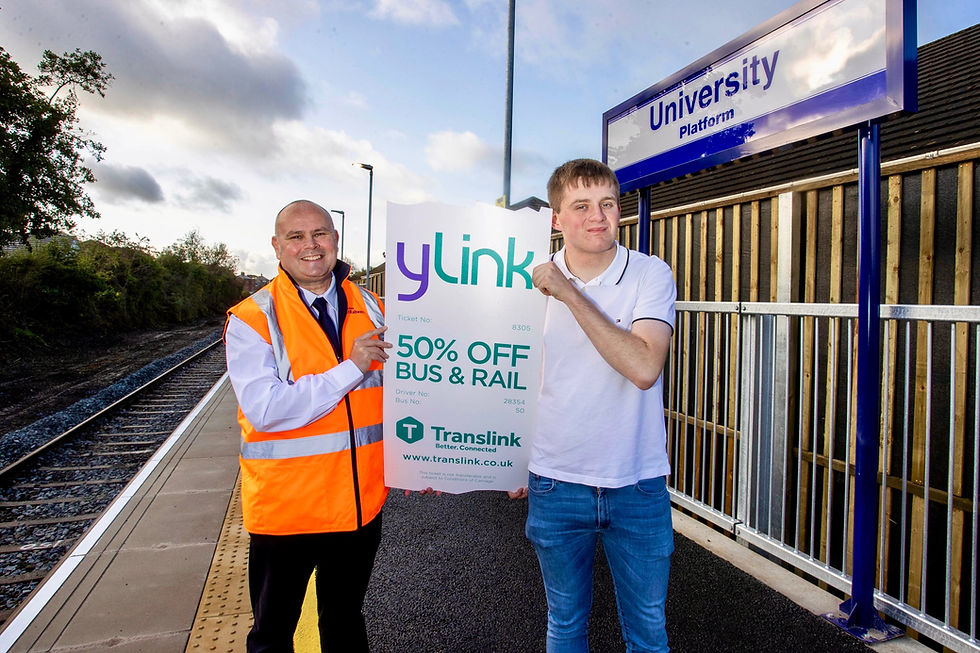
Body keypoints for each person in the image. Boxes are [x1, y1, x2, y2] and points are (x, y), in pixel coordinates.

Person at [223, 199, 392, 653]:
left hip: (357, 508)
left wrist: (424, 461)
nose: (310, 245)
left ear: (335, 240)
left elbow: (404, 392)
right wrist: (349, 369)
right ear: (277, 246)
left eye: (319, 233)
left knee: (344, 623)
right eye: (295, 236)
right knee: (273, 633)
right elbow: (265, 409)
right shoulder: (253, 317)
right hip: (288, 513)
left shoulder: (373, 306)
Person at [522, 159, 676, 652]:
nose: (597, 216)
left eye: (607, 203)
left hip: (637, 481)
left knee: (648, 632)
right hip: (556, 479)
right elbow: (511, 376)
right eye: (581, 205)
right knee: (565, 624)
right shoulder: (526, 281)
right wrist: (500, 460)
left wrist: (568, 292)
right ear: (556, 218)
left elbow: (644, 366)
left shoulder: (650, 273)